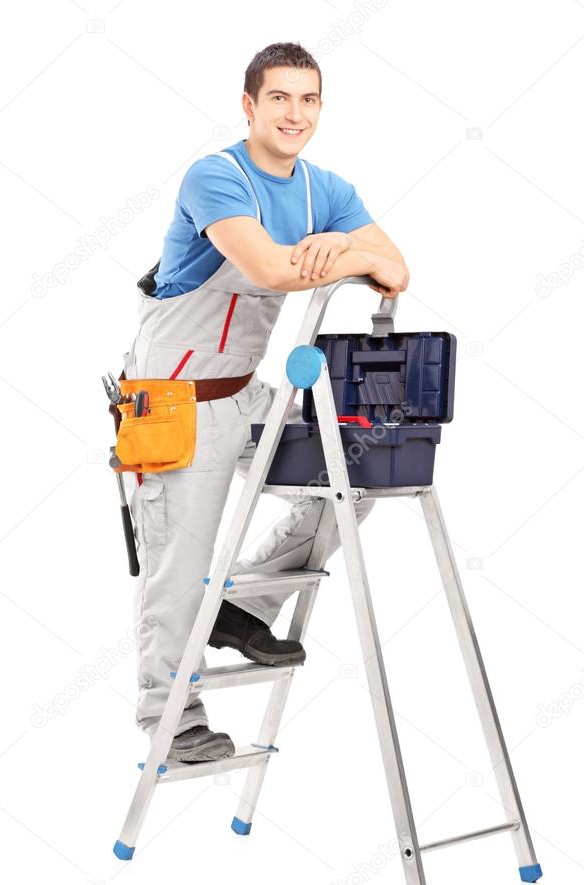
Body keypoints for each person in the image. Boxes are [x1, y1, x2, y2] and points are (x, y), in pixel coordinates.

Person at [122, 40, 409, 763]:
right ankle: (173, 722)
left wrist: (361, 255)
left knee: (357, 477)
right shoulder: (214, 178)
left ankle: (243, 608)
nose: (294, 113)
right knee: (177, 570)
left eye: (308, 99)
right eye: (278, 98)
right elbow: (269, 269)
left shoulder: (325, 189)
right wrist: (351, 256)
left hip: (249, 395)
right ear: (249, 105)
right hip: (173, 403)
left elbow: (397, 269)